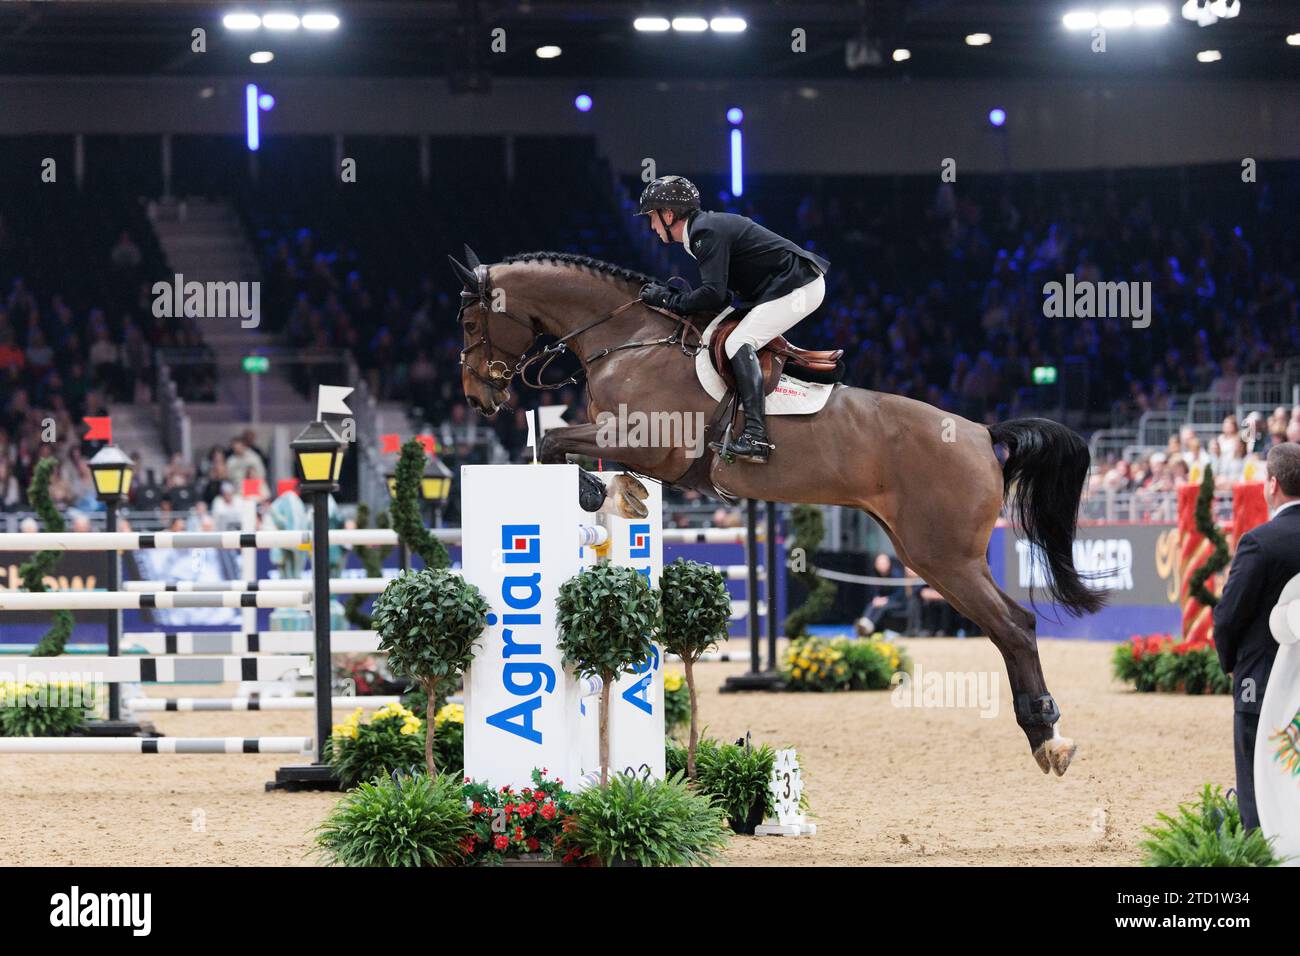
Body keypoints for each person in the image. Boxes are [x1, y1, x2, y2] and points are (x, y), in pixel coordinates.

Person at [635, 175, 830, 463]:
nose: (651, 226)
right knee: (726, 333)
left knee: (738, 341)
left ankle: (755, 436)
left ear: (668, 214)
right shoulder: (700, 232)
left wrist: (667, 300)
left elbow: (713, 295)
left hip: (800, 287)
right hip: (783, 286)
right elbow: (722, 295)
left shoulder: (704, 233)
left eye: (652, 217)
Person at [1212, 442, 1300, 829]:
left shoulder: (1260, 542)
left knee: (1255, 782)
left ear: (1273, 484)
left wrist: (1230, 663)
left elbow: (1228, 617)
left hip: (1262, 676)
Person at [855, 552, 909, 636]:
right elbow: (874, 592)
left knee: (882, 607)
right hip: (883, 601)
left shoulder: (897, 574)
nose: (882, 565)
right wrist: (877, 598)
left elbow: (900, 594)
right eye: (880, 563)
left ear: (889, 563)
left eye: (884, 563)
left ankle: (869, 627)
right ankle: (865, 622)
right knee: (872, 604)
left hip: (898, 602)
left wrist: (887, 599)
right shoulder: (874, 575)